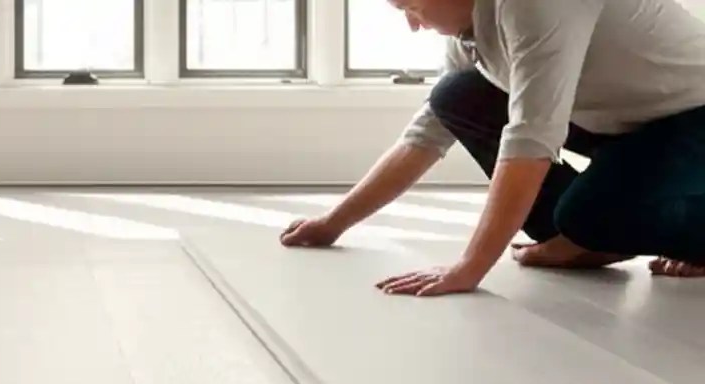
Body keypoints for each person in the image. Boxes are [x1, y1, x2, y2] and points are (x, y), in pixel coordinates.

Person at [280, 0, 705, 296]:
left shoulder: (534, 6)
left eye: (411, 6)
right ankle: (600, 235)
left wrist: (470, 267)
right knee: (455, 96)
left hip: (693, 115)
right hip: (630, 127)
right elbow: (426, 135)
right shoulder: (471, 33)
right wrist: (333, 224)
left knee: (583, 217)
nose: (413, 23)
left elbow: (531, 136)